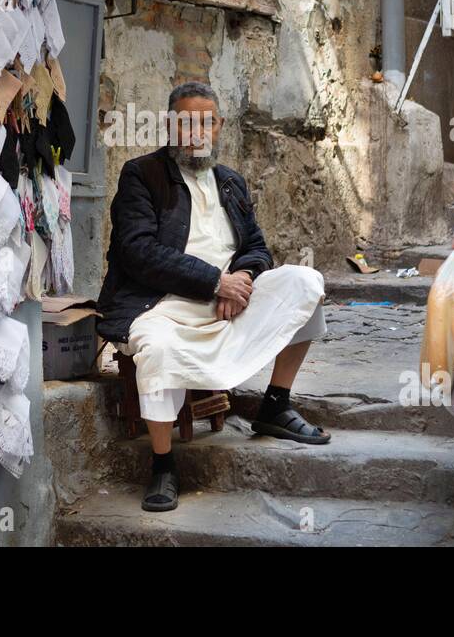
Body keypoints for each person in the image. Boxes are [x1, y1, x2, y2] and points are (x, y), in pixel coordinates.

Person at [96, 82, 330, 512]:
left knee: (304, 284)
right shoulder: (142, 175)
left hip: (227, 297)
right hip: (161, 304)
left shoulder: (230, 182)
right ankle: (163, 464)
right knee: (159, 350)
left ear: (218, 126)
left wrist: (240, 279)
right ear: (170, 125)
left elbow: (257, 247)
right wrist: (213, 282)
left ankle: (274, 406)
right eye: (186, 123)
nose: (196, 132)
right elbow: (137, 251)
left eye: (206, 122)